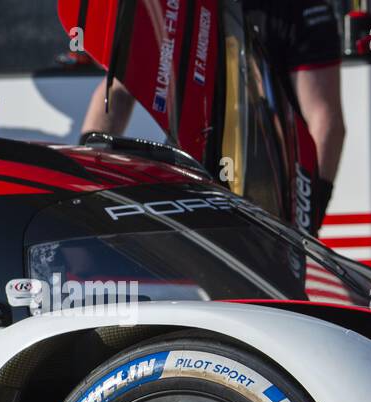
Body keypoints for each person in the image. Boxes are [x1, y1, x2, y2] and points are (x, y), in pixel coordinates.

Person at [81, 0, 346, 234]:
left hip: (268, 196)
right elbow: (116, 92)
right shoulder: (175, 6)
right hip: (190, 185)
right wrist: (87, 177)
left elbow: (326, 122)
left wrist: (308, 214)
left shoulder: (301, 9)